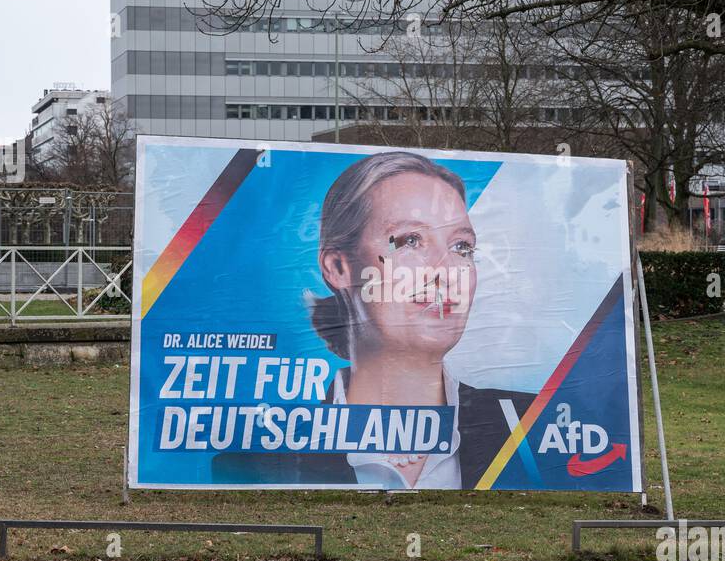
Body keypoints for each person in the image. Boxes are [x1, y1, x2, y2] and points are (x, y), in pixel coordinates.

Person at [213, 151, 535, 489]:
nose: (447, 271)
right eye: (410, 240)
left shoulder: (532, 425)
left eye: (461, 247)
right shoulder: (259, 462)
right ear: (339, 268)